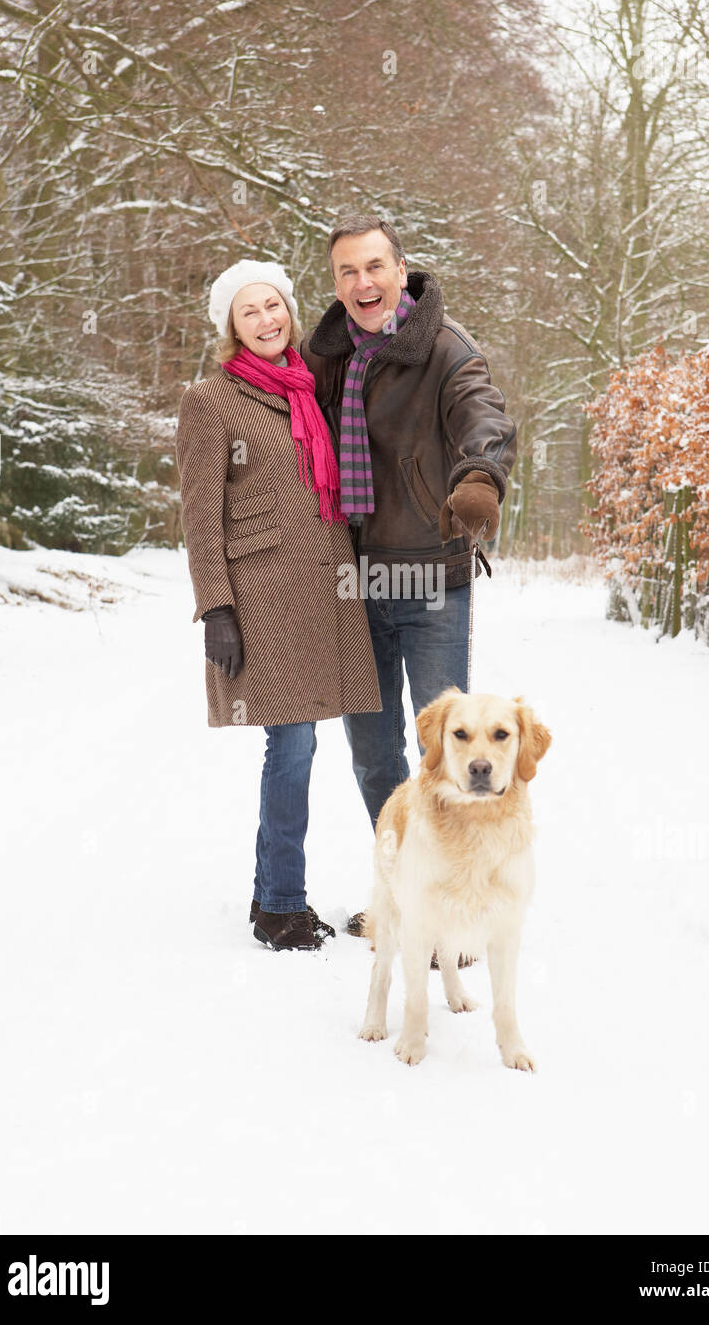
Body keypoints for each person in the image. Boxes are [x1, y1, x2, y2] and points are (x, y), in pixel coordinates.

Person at [301, 215, 517, 935]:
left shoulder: (446, 349)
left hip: (430, 580)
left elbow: (483, 412)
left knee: (449, 756)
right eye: (347, 273)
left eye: (374, 268)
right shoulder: (324, 356)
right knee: (371, 756)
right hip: (352, 582)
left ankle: (455, 907)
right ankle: (403, 894)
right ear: (335, 284)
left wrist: (480, 475)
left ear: (400, 270)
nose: (363, 284)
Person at [176, 260, 381, 952]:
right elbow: (200, 517)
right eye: (249, 312)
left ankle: (277, 896)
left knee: (306, 740)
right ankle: (279, 904)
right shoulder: (211, 401)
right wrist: (216, 609)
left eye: (274, 306)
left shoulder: (309, 388)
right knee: (291, 742)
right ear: (231, 329)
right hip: (264, 598)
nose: (266, 320)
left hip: (327, 589)